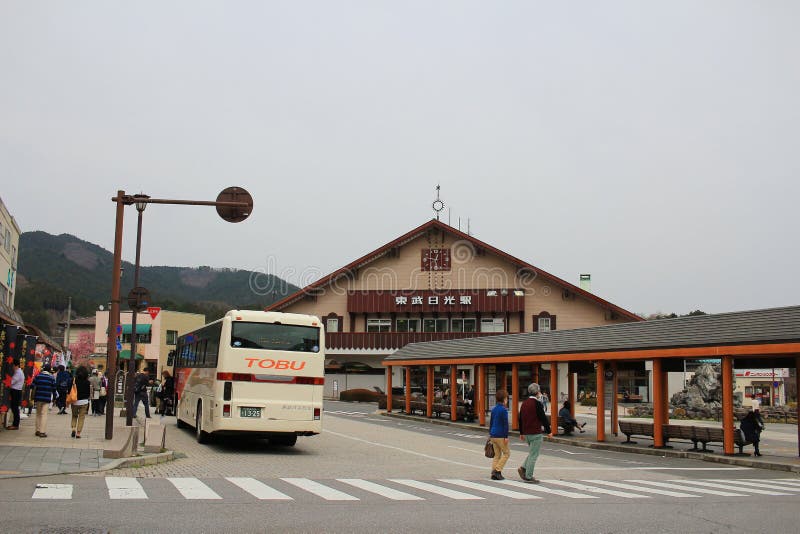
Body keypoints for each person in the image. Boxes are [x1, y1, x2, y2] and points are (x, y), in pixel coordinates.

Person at [518, 383, 552, 483]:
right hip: (535, 433)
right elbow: (543, 418)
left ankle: (523, 468)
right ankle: (529, 476)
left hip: (526, 433)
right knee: (534, 455)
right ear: (537, 392)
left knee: (532, 453)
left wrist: (521, 432)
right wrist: (549, 431)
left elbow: (520, 419)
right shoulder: (537, 403)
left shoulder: (524, 403)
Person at [489, 389, 510, 480]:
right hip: (501, 435)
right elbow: (506, 424)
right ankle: (497, 471)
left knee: (497, 455)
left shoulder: (494, 409)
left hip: (493, 434)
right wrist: (506, 436)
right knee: (506, 453)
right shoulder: (504, 410)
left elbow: (491, 422)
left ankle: (493, 472)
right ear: (504, 399)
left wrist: (490, 434)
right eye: (507, 398)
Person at [31, 365, 57, 438]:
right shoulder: (51, 378)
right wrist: (54, 398)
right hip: (47, 398)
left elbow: (32, 386)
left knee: (38, 414)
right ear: (49, 370)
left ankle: (37, 430)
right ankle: (42, 432)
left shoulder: (38, 376)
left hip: (38, 397)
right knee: (44, 414)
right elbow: (54, 389)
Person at [70, 366, 92, 438]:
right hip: (84, 402)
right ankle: (78, 433)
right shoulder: (87, 382)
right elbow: (89, 393)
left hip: (75, 401)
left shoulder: (73, 380)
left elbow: (69, 390)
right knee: (81, 417)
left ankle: (73, 428)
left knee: (74, 415)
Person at [5, 360, 24, 430]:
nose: (12, 367)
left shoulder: (18, 373)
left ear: (16, 365)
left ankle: (15, 424)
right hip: (15, 391)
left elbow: (12, 382)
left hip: (16, 391)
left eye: (13, 365)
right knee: (14, 407)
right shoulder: (18, 372)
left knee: (15, 408)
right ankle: (15, 424)